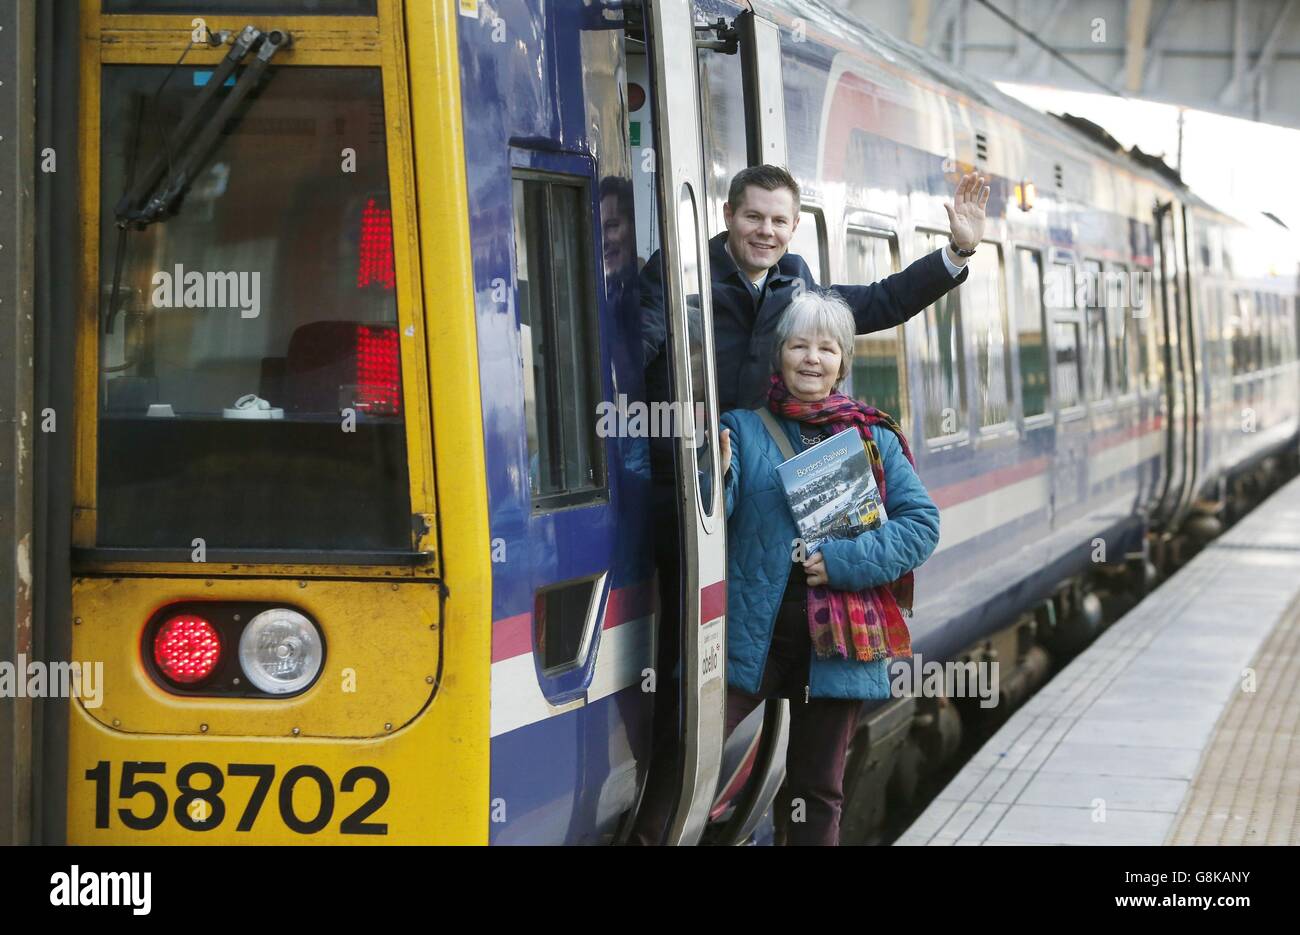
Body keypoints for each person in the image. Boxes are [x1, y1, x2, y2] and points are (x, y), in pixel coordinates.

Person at [627, 165, 985, 844]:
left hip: (835, 627)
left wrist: (955, 256)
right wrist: (691, 462)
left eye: (779, 220)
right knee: (682, 754)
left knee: (817, 788)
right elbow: (630, 353)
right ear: (728, 214)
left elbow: (881, 300)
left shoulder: (860, 422)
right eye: (753, 216)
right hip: (719, 548)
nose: (765, 231)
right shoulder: (679, 282)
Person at [715, 289, 940, 845]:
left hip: (837, 639)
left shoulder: (873, 437)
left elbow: (921, 526)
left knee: (817, 791)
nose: (811, 358)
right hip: (751, 635)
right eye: (798, 346)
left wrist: (840, 561)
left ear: (842, 361)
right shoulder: (740, 429)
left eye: (826, 348)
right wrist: (710, 472)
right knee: (685, 758)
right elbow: (711, 512)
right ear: (779, 355)